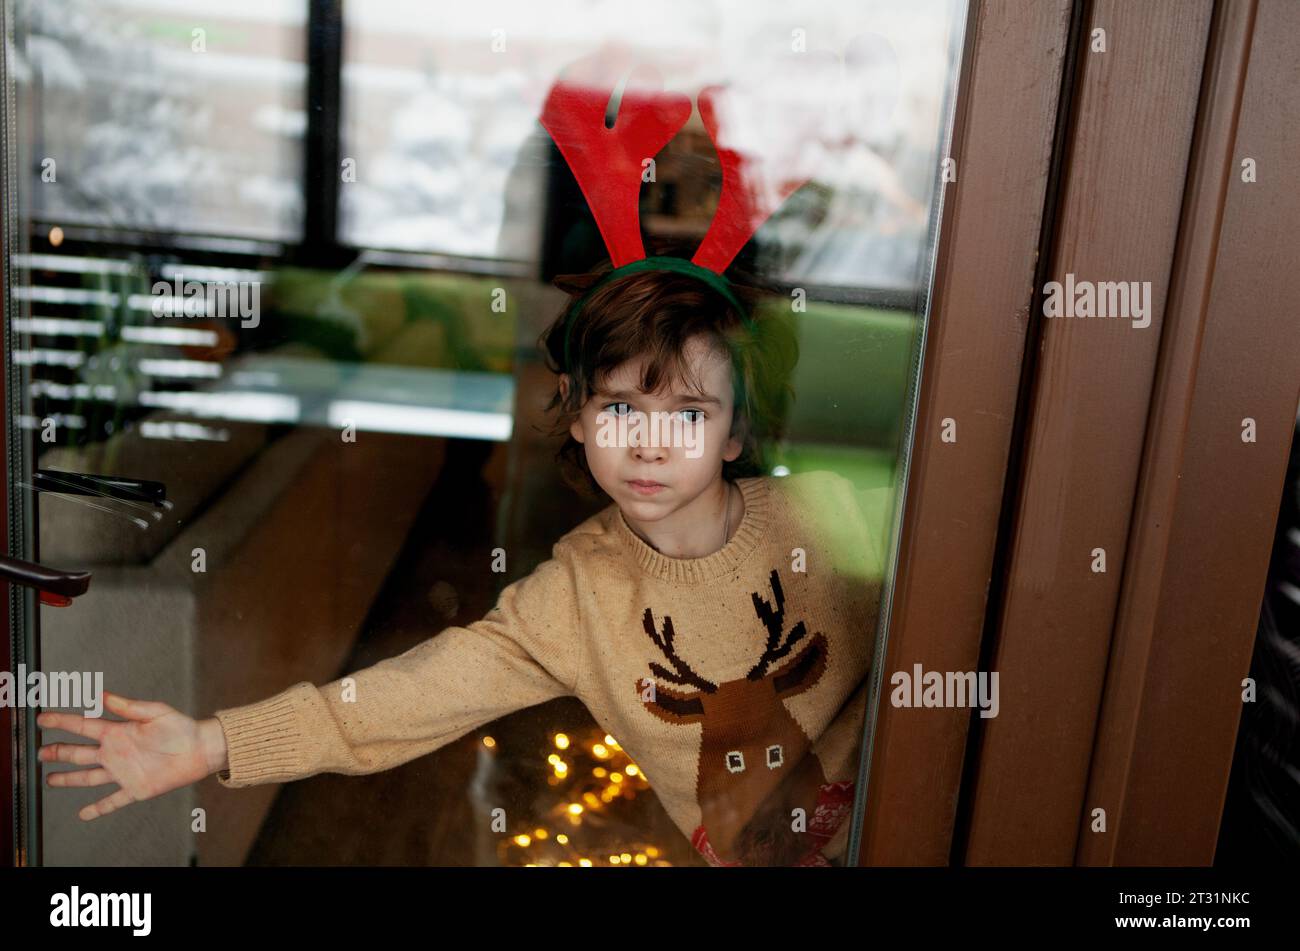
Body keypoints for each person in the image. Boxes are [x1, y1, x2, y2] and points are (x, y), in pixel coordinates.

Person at [36, 253, 884, 866]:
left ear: (735, 432)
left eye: (690, 415)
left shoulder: (829, 518)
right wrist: (213, 743)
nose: (651, 444)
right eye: (621, 406)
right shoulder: (574, 598)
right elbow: (399, 701)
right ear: (579, 417)